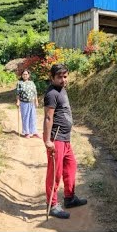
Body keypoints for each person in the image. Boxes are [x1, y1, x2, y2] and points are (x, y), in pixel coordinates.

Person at [42, 63, 87, 219]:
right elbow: (48, 117)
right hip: (56, 139)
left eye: (65, 76)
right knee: (55, 173)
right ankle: (52, 204)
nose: (63, 80)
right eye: (59, 77)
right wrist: (47, 140)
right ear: (52, 77)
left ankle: (69, 198)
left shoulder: (62, 90)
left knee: (71, 167)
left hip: (65, 139)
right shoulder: (51, 94)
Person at [16, 69, 38, 138]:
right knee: (25, 117)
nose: (25, 75)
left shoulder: (32, 82)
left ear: (29, 75)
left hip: (32, 103)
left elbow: (35, 93)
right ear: (22, 75)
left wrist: (36, 101)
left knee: (33, 117)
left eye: (26, 74)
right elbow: (17, 93)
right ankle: (26, 132)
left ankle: (34, 132)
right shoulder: (19, 83)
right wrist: (18, 101)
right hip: (24, 103)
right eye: (24, 74)